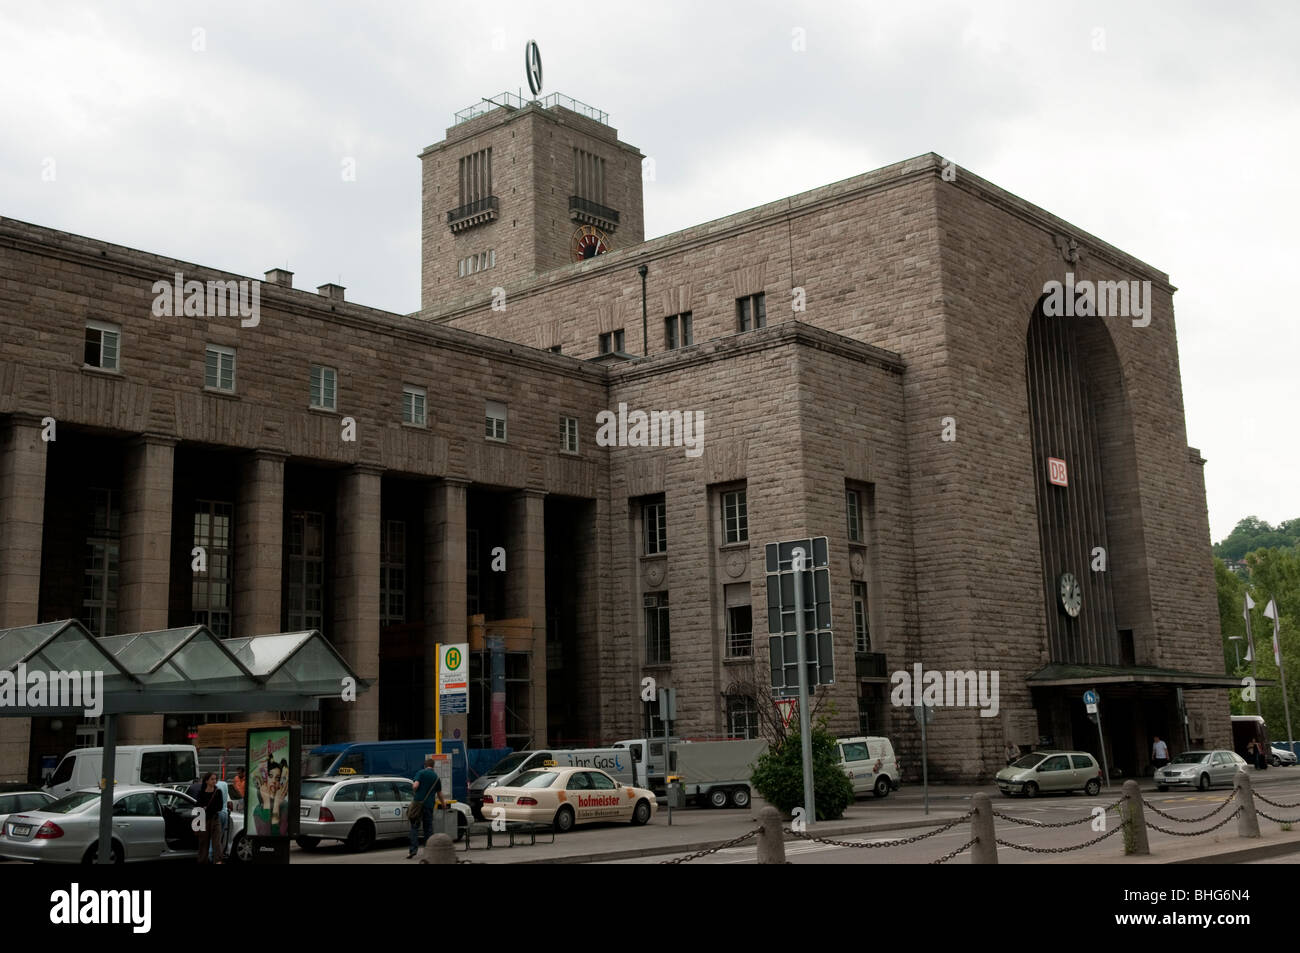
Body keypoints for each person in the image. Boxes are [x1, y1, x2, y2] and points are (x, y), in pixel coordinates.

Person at [408, 755, 446, 859]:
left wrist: (416, 792)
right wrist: (443, 803)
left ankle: (413, 850)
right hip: (429, 805)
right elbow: (439, 793)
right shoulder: (436, 777)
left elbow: (415, 786)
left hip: (418, 804)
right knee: (428, 828)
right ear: (433, 766)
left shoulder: (420, 773)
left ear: (425, 765)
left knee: (414, 827)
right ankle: (429, 851)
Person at [195, 773, 224, 864]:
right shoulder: (201, 792)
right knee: (203, 843)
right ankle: (202, 860)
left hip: (215, 819)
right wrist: (203, 808)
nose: (214, 781)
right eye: (212, 779)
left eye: (215, 779)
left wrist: (206, 808)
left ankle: (218, 861)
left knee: (217, 843)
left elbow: (219, 807)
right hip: (204, 820)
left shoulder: (218, 792)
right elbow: (198, 806)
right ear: (206, 780)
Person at [209, 777, 230, 863]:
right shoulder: (224, 784)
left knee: (211, 838)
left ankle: (211, 856)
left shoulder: (214, 786)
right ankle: (217, 857)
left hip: (216, 814)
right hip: (224, 813)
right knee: (219, 838)